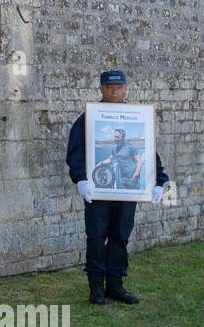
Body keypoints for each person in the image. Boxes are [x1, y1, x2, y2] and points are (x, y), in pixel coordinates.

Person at [66, 70, 169, 305]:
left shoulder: (136, 117)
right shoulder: (88, 118)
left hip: (128, 191)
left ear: (126, 89)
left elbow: (149, 153)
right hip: (98, 191)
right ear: (101, 89)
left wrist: (159, 180)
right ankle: (96, 288)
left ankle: (115, 285)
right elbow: (76, 151)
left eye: (119, 87)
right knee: (96, 237)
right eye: (110, 88)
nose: (115, 91)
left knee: (120, 236)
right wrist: (81, 178)